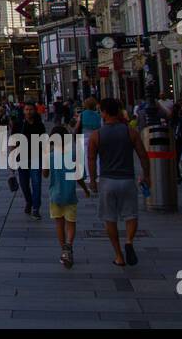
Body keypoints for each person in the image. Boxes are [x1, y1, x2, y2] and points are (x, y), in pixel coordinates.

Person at [87, 98, 152, 268]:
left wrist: (93, 181)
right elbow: (143, 155)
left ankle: (118, 255)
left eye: (101, 111)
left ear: (105, 113)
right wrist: (147, 175)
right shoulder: (130, 132)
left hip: (108, 181)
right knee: (131, 215)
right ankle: (129, 241)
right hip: (127, 180)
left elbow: (92, 160)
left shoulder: (96, 135)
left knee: (110, 219)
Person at [43, 124, 90, 269]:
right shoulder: (73, 155)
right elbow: (78, 176)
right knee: (71, 223)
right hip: (70, 195)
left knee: (59, 223)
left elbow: (45, 175)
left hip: (55, 196)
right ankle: (69, 244)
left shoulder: (49, 156)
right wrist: (85, 189)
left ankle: (64, 251)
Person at [14, 102, 47, 219]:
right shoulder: (18, 125)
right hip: (21, 158)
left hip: (36, 158)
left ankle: (36, 208)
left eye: (31, 109)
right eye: (26, 110)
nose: (28, 112)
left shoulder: (39, 125)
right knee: (24, 184)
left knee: (36, 183)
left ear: (35, 111)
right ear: (23, 111)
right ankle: (29, 201)